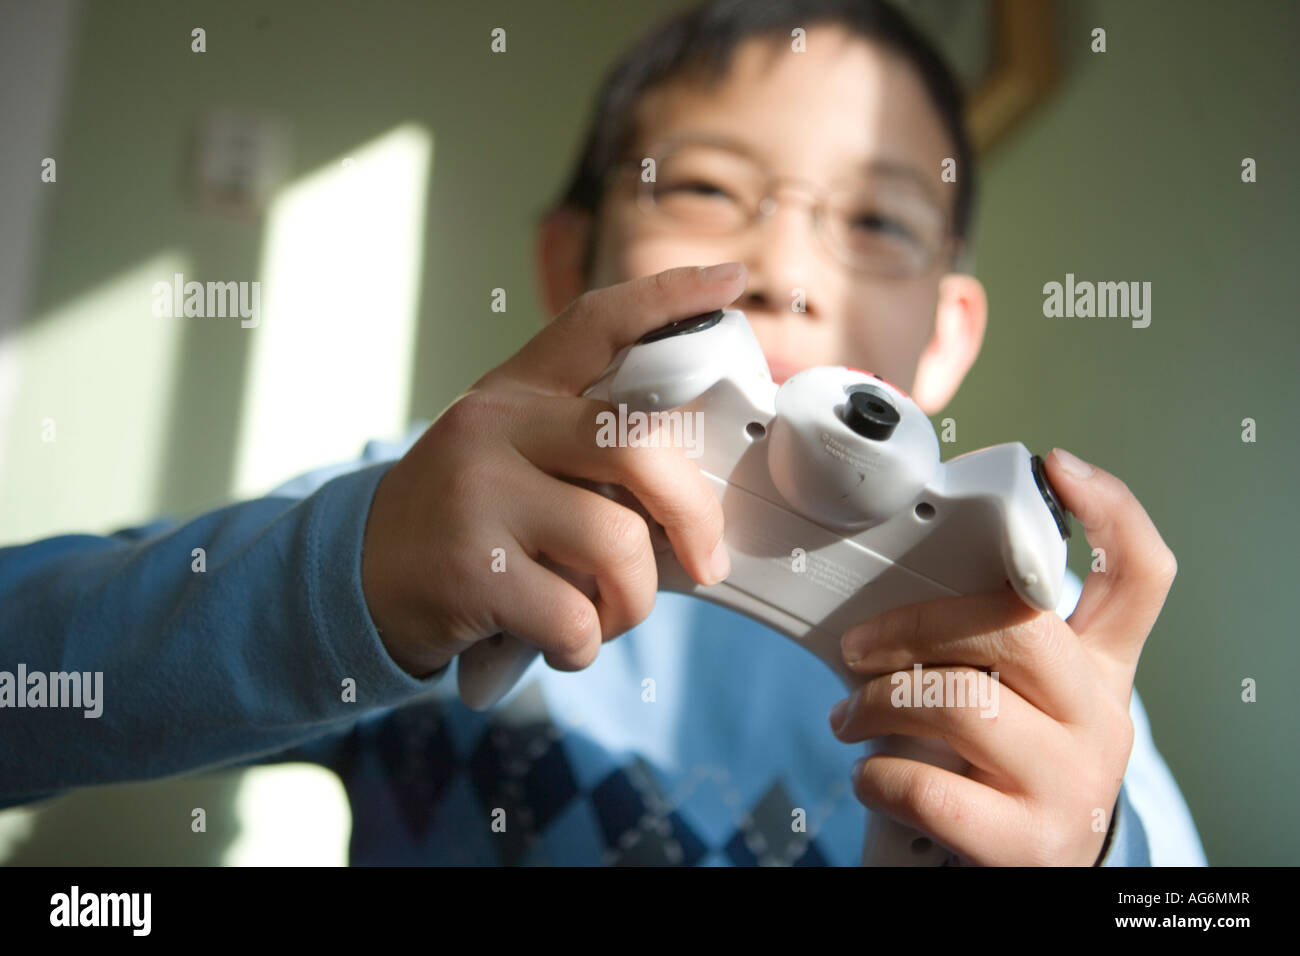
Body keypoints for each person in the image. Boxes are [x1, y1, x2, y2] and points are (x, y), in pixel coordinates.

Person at [0, 0, 1205, 866]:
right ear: (567, 263)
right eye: (704, 188)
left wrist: (1093, 844)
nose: (784, 267)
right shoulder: (426, 516)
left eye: (878, 222)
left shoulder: (1016, 650)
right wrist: (352, 573)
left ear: (945, 337)